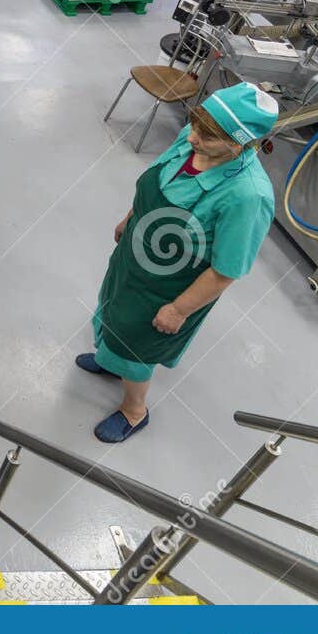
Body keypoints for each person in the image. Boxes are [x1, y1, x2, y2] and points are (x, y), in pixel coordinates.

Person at [78, 82, 279, 443]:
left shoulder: (248, 195)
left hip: (172, 285)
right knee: (113, 309)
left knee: (139, 344)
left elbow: (226, 270)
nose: (194, 138)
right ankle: (111, 357)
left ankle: (134, 410)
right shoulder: (192, 136)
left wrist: (178, 310)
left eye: (208, 135)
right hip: (135, 258)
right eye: (197, 125)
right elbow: (153, 185)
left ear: (241, 143)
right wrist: (130, 217)